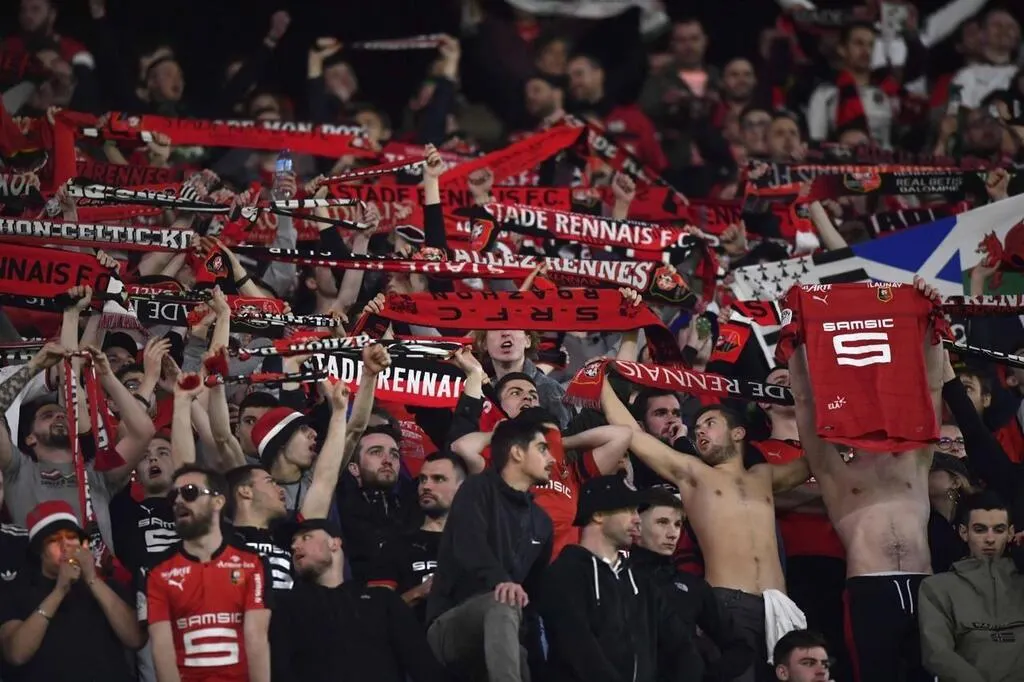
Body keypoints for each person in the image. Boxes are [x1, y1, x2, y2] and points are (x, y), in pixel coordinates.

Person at [785, 277, 947, 682]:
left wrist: (930, 322)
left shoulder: (914, 456)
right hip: (869, 588)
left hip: (926, 585)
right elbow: (805, 399)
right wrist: (797, 330)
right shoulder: (832, 467)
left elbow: (931, 386)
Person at [602, 388, 810, 682]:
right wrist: (603, 383)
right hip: (727, 603)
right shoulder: (694, 473)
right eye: (697, 428)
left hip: (778, 607)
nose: (699, 432)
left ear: (737, 433)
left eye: (709, 424)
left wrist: (817, 400)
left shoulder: (763, 476)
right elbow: (633, 435)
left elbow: (815, 457)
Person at [425, 417, 555, 682]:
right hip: (447, 626)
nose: (552, 458)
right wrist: (502, 582)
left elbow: (534, 593)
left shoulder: (542, 522)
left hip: (505, 634)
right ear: (517, 452)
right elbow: (468, 545)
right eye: (542, 448)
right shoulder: (476, 489)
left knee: (522, 654)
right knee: (503, 600)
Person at [539, 475, 702, 682]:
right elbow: (581, 654)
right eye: (628, 509)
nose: (636, 519)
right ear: (598, 515)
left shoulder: (641, 583)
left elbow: (682, 647)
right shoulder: (564, 574)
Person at [270, 517, 448, 682]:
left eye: (305, 537)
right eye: (292, 543)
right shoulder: (285, 605)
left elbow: (422, 665)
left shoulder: (381, 601)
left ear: (334, 543)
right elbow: (280, 670)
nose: (294, 546)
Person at [141, 465, 271, 682]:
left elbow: (256, 640)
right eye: (174, 495)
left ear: (218, 502)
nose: (179, 501)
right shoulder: (157, 571)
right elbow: (162, 650)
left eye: (190, 492)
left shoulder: (253, 562)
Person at [0, 500, 144, 682]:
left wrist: (92, 579)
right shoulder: (17, 593)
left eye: (71, 537)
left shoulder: (108, 587)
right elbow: (15, 654)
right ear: (39, 552)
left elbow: (135, 638)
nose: (65, 545)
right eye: (54, 540)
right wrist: (59, 591)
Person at [629, 487, 753, 681]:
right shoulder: (613, 578)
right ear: (636, 525)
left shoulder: (692, 587)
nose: (673, 533)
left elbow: (741, 646)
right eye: (662, 522)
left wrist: (705, 676)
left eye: (678, 524)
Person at [919, 490, 1024, 681]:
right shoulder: (937, 587)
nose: (990, 539)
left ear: (1010, 533)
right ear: (964, 532)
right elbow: (937, 654)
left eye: (999, 530)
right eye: (980, 529)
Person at [369, 451, 467, 623]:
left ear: (462, 489)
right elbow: (374, 612)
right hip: (416, 638)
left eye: (438, 479)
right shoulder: (397, 545)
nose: (426, 486)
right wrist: (420, 592)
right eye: (423, 479)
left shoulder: (476, 544)